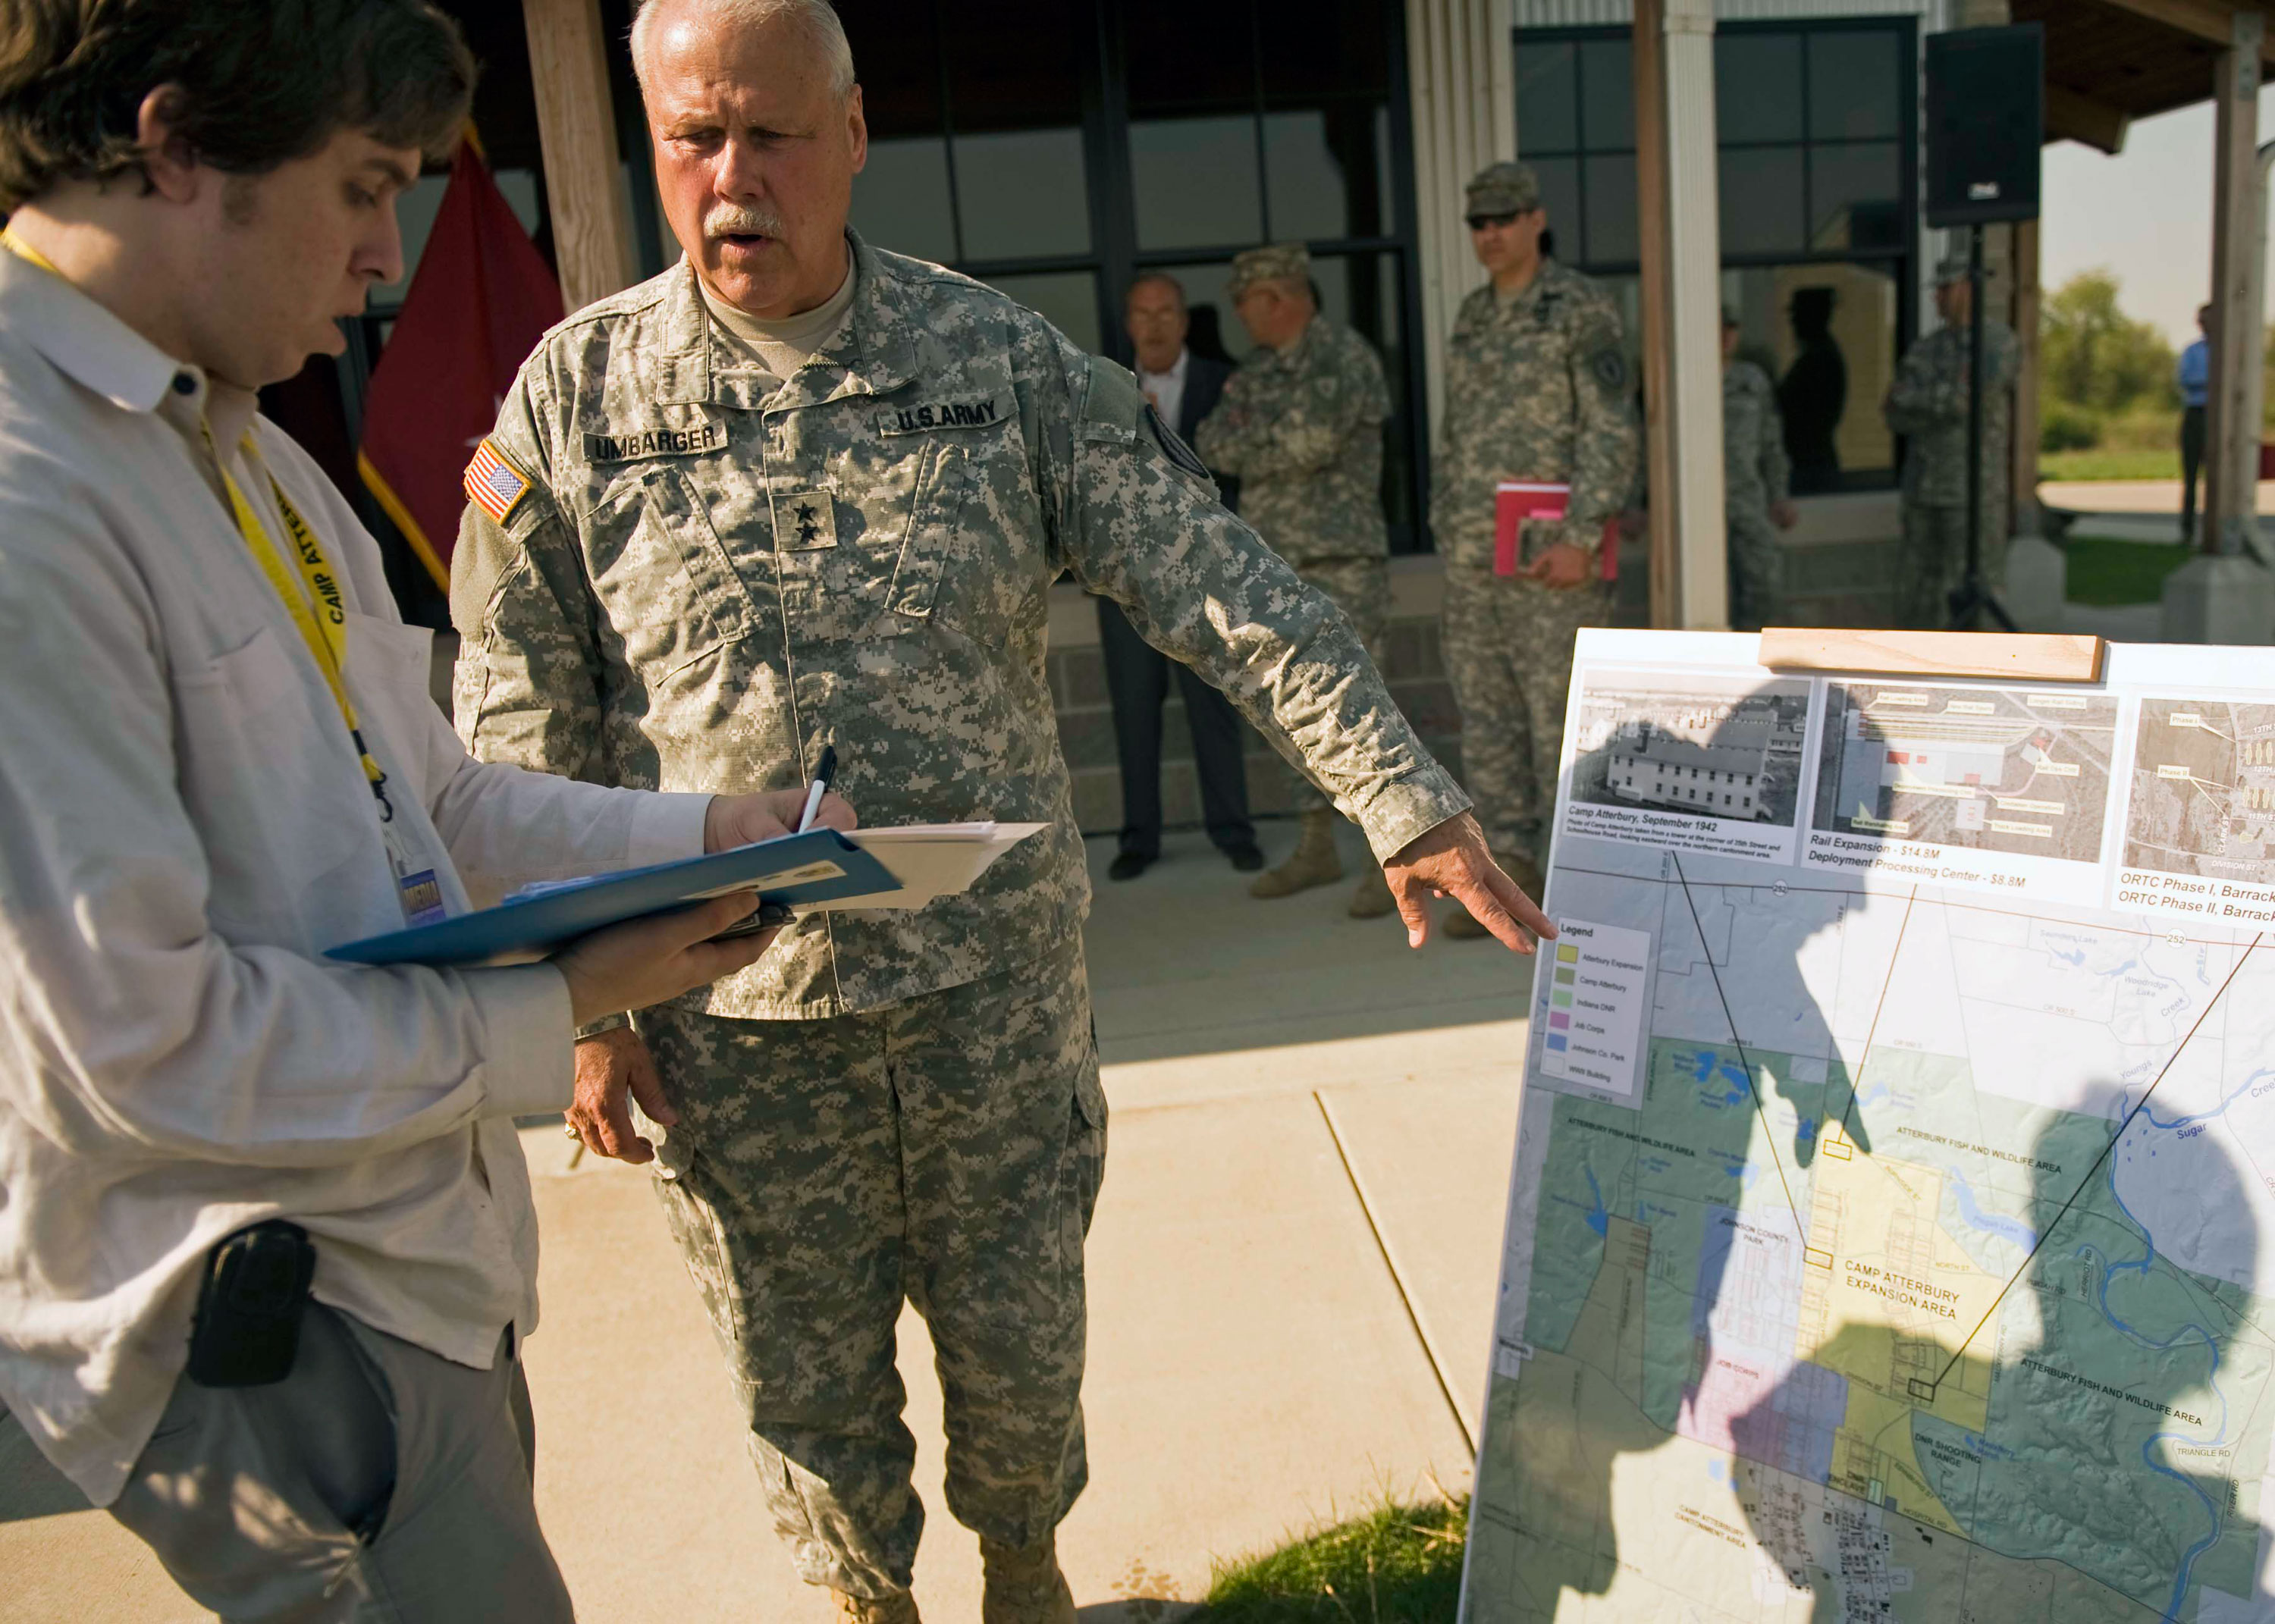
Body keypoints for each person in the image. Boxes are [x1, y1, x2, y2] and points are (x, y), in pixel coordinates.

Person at [447, 4, 1550, 1621]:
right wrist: (575, 1005)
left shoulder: (999, 364)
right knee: (804, 1406)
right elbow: (513, 724)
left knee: (1025, 1365)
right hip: (732, 1029)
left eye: (771, 133)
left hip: (993, 1011)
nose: (732, 178)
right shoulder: (576, 396)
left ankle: (1029, 1582)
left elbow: (1221, 583)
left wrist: (1395, 793)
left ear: (853, 134)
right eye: (693, 138)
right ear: (651, 139)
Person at [0, 4, 855, 1619]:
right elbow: (140, 1049)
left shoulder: (239, 451)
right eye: (361, 186)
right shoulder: (29, 501)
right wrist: (554, 1006)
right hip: (282, 1332)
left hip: (407, 1284)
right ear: (178, 148)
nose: (386, 255)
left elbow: (429, 800)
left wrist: (707, 838)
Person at [1430, 161, 1640, 936]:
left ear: (1536, 220)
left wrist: (1584, 537)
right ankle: (1505, 872)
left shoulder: (1581, 308)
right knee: (1487, 718)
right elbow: (1458, 433)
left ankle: (1577, 881)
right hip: (1477, 558)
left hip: (1554, 562)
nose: (1490, 234)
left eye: (1505, 219)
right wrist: (1447, 521)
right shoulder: (1473, 315)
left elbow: (1612, 429)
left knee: (1563, 722)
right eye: (1478, 223)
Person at [1194, 241, 1400, 920]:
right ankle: (1317, 846)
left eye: (1246, 303)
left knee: (1362, 713)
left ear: (1278, 298)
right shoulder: (1255, 372)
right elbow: (1214, 442)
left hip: (1343, 563)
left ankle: (1391, 860)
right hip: (1275, 569)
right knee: (1296, 713)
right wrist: (1271, 440)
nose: (1242, 317)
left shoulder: (1343, 358)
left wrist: (1266, 442)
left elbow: (1314, 444)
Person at [1096, 272, 1261, 882]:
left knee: (1215, 712)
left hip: (1208, 586)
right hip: (1126, 585)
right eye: (1143, 314)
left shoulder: (1227, 383)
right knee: (1134, 715)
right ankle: (1140, 839)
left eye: (1167, 312)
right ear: (1129, 323)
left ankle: (1233, 831)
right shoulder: (1099, 386)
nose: (1156, 324)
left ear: (1185, 321)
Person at [1884, 253, 2020, 629]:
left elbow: (1970, 401)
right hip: (1924, 488)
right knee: (1918, 592)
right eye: (1937, 290)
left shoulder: (1996, 343)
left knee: (1975, 591)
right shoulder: (1925, 348)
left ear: (1968, 288)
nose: (1938, 298)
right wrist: (1938, 398)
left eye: (1946, 289)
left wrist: (1921, 398)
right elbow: (1894, 411)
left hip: (1973, 492)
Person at [1722, 309, 1798, 632]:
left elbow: (1771, 444)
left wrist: (1779, 495)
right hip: (1696, 511)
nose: (1724, 336)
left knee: (1764, 587)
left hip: (1748, 500)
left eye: (1730, 328)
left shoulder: (1751, 380)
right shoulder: (1679, 377)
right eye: (1716, 328)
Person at [1778, 286, 1846, 494]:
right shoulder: (1817, 355)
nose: (1793, 324)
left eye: (1797, 316)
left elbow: (1800, 413)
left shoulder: (1820, 360)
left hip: (1811, 466)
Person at [2179, 303, 2210, 545]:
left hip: (2217, 414)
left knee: (2217, 476)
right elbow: (2185, 379)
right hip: (2195, 413)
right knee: (2190, 475)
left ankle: (2215, 529)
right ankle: (2187, 530)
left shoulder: (2228, 349)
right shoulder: (2192, 351)